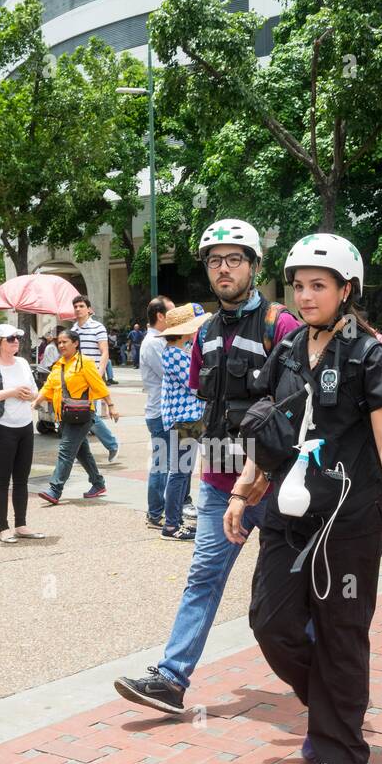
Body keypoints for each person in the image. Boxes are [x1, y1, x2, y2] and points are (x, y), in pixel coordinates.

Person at [223, 232, 382, 764]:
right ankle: (331, 709)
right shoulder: (285, 350)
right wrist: (244, 489)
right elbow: (271, 429)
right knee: (270, 622)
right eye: (299, 286)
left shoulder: (367, 352)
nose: (306, 297)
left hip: (350, 518)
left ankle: (343, 744)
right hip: (287, 510)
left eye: (319, 286)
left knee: (341, 631)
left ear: (345, 289)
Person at [114, 219, 299, 713]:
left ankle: (325, 676)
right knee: (203, 577)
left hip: (278, 482)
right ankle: (172, 680)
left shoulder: (282, 326)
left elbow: (297, 407)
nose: (224, 268)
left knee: (291, 588)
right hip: (220, 481)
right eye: (215, 260)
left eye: (235, 259)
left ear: (255, 267)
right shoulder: (205, 333)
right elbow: (205, 401)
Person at [0, 325, 44, 542]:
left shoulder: (23, 363)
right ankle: (3, 527)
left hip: (25, 426)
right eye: (11, 338)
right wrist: (12, 392)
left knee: (22, 480)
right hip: (3, 428)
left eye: (17, 338)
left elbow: (35, 391)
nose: (16, 341)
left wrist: (28, 395)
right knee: (2, 480)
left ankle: (21, 524)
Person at [35, 326, 118, 503]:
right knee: (81, 451)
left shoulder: (85, 362)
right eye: (59, 342)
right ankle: (98, 483)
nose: (61, 345)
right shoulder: (59, 364)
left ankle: (55, 489)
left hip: (82, 414)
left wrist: (110, 405)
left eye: (65, 342)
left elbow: (98, 384)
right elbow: (49, 386)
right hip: (64, 415)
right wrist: (36, 401)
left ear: (76, 343)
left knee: (65, 450)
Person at [157, 304, 207, 541]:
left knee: (182, 472)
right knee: (179, 472)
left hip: (187, 419)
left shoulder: (178, 350)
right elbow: (195, 384)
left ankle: (173, 521)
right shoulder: (175, 354)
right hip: (184, 420)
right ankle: (171, 525)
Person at [139, 295, 175, 529]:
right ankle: (154, 513)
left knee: (169, 463)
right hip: (159, 412)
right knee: (162, 464)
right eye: (171, 313)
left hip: (165, 411)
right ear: (160, 316)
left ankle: (165, 508)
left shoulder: (160, 340)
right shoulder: (153, 343)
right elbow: (170, 374)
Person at [71, 295, 119, 460]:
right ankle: (83, 452)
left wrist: (99, 373)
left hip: (93, 376)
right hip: (76, 378)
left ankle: (111, 444)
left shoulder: (98, 327)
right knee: (81, 413)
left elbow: (104, 351)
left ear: (89, 309)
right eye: (76, 306)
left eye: (81, 306)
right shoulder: (73, 330)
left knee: (88, 414)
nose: (78, 309)